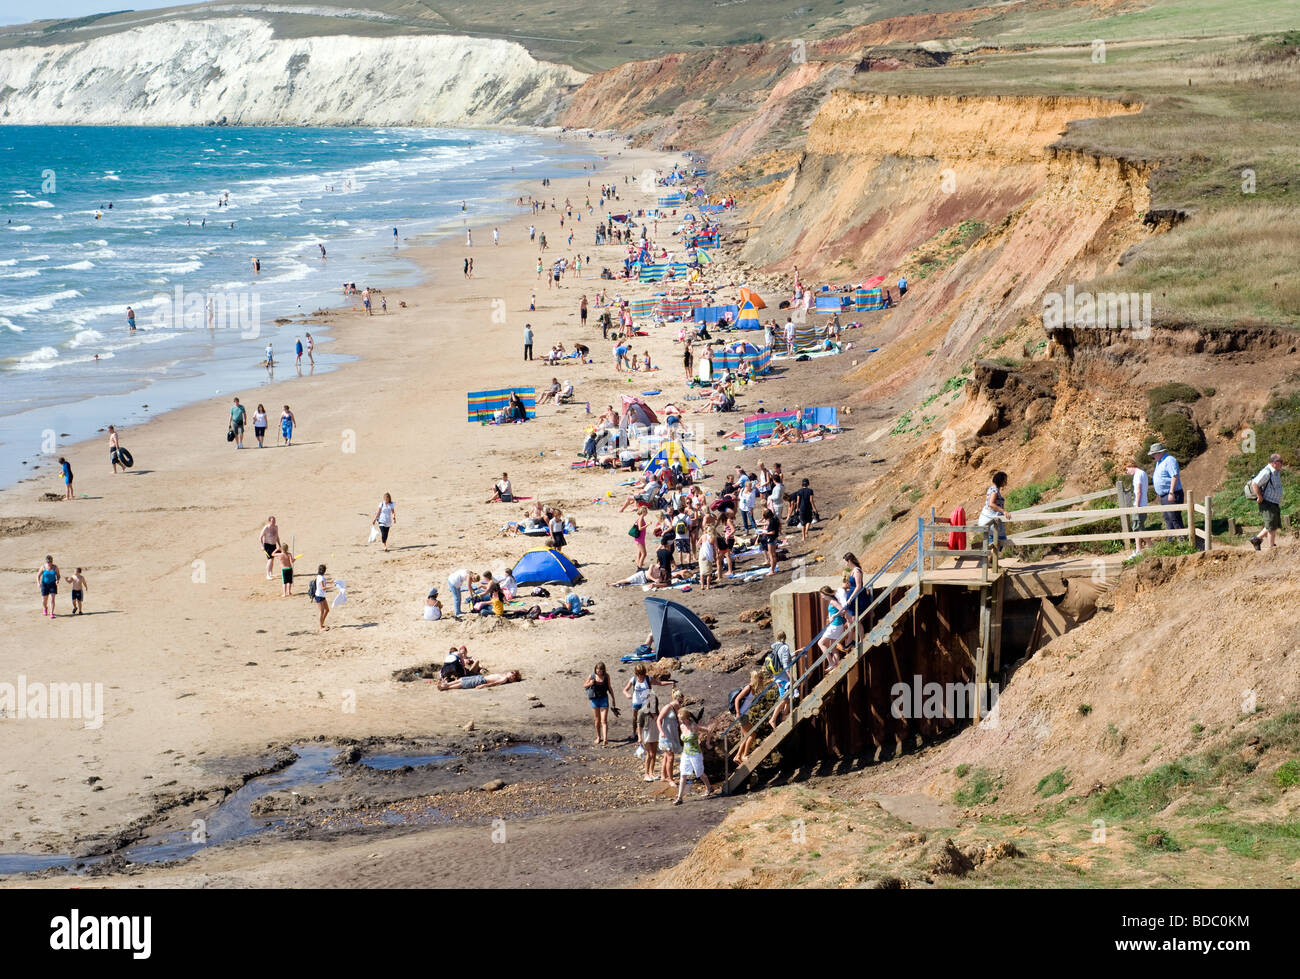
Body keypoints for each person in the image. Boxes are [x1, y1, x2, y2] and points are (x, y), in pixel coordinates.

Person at [623, 663, 674, 743]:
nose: (642, 676)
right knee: (635, 718)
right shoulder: (633, 679)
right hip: (636, 701)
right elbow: (625, 690)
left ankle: (652, 732)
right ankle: (634, 732)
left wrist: (670, 682)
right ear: (636, 673)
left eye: (643, 674)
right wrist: (627, 695)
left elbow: (659, 683)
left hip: (647, 702)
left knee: (649, 717)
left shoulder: (648, 679)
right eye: (640, 674)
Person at [674, 707, 713, 804]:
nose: (681, 721)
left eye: (682, 719)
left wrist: (708, 743)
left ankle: (709, 787)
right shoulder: (682, 726)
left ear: (687, 718)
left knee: (700, 774)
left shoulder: (693, 726)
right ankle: (680, 798)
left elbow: (708, 730)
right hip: (686, 753)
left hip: (695, 753)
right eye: (680, 719)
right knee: (683, 774)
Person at [1249, 453, 1285, 551]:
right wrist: (1259, 496)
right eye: (1280, 461)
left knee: (1273, 524)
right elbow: (1255, 483)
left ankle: (1256, 539)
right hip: (1267, 502)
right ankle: (1271, 549)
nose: (1282, 463)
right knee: (1271, 527)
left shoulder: (1275, 471)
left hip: (1274, 502)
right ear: (1274, 463)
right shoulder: (1266, 472)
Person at [1149, 443, 1184, 530]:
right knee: (1168, 518)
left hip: (1172, 494)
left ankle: (1182, 540)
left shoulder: (1169, 460)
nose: (1153, 456)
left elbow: (1174, 476)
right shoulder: (1159, 462)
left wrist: (1171, 492)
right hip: (1165, 495)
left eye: (1154, 454)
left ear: (1159, 452)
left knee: (1174, 518)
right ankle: (1171, 540)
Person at [585, 662, 619, 746]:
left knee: (604, 721)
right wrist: (590, 683)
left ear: (603, 670)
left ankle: (605, 739)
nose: (599, 672)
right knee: (597, 721)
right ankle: (598, 736)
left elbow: (609, 687)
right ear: (595, 669)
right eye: (597, 670)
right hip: (595, 700)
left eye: (600, 670)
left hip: (604, 699)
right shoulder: (592, 676)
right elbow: (585, 685)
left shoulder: (606, 677)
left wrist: (613, 698)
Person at [977, 471, 1010, 552]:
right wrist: (1004, 511)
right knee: (1000, 540)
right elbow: (991, 504)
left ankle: (991, 563)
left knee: (994, 541)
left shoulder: (992, 488)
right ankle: (991, 561)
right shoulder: (995, 490)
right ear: (1000, 480)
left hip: (988, 519)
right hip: (991, 520)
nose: (1006, 482)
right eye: (1005, 480)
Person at [657, 690, 685, 786]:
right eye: (679, 701)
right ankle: (671, 779)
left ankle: (663, 776)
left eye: (681, 702)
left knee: (666, 756)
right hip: (665, 735)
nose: (680, 703)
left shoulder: (678, 708)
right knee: (670, 757)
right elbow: (659, 720)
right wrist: (661, 731)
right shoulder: (668, 707)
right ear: (675, 699)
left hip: (673, 735)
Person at [818, 586, 848, 668]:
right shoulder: (832, 601)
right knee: (833, 646)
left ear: (826, 593)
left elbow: (843, 610)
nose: (822, 597)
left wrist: (834, 615)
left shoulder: (833, 602)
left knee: (820, 643)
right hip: (836, 625)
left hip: (836, 625)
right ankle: (836, 664)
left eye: (822, 595)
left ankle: (831, 662)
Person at [1123, 463, 1149, 556]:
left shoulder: (1137, 475)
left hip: (1139, 505)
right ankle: (1141, 549)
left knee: (1137, 528)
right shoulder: (1143, 473)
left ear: (1131, 466)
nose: (1127, 472)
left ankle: (1147, 547)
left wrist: (1137, 505)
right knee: (1138, 527)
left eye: (1126, 469)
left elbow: (1138, 491)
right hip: (1144, 504)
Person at [638, 693, 661, 781]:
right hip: (646, 734)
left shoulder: (656, 711)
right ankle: (646, 774)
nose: (653, 703)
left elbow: (659, 721)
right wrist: (639, 737)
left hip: (655, 733)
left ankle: (652, 773)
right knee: (649, 754)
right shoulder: (643, 711)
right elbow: (639, 725)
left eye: (654, 701)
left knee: (654, 754)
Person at [439, 670, 523, 691]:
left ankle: (446, 687)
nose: (511, 673)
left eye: (513, 675)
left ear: (512, 679)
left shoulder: (504, 679)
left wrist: (484, 685)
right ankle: (447, 684)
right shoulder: (503, 675)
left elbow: (495, 683)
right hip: (481, 678)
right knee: (462, 679)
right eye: (512, 672)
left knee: (463, 683)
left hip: (482, 681)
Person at [313, 564, 331, 630]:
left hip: (322, 596)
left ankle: (322, 624)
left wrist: (330, 582)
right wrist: (331, 587)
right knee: (322, 611)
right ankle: (321, 626)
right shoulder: (321, 577)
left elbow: (323, 582)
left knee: (327, 610)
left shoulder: (320, 576)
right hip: (319, 596)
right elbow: (323, 587)